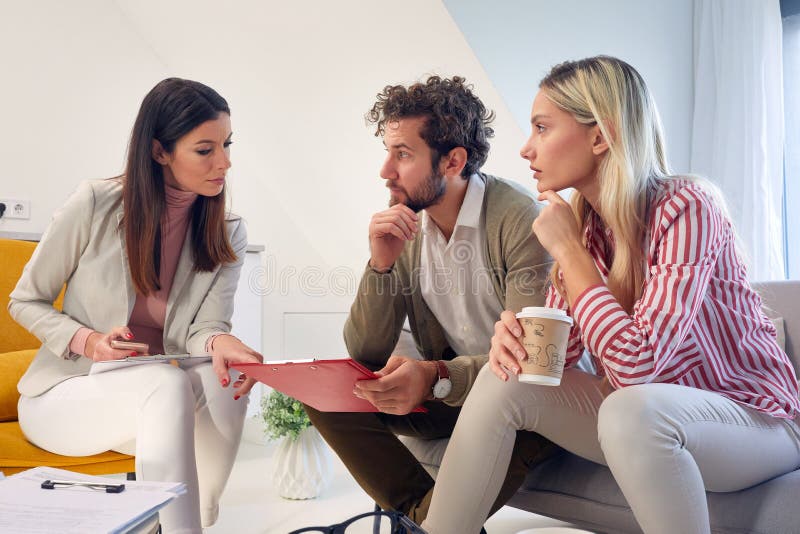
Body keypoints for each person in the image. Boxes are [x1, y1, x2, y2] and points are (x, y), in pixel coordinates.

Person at [422, 55, 800, 534]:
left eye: (542, 128)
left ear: (599, 136)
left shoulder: (686, 208)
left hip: (757, 423)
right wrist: (514, 345)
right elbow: (548, 362)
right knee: (507, 378)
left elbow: (638, 369)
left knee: (629, 407)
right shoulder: (585, 226)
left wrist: (569, 255)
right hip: (651, 422)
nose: (525, 149)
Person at [9, 78, 263, 534]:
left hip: (157, 403)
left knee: (221, 375)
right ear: (159, 151)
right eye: (205, 150)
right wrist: (88, 341)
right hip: (67, 398)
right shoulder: (94, 204)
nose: (225, 162)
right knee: (166, 385)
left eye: (227, 144)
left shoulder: (229, 229)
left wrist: (224, 340)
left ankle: (197, 519)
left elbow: (205, 327)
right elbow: (25, 300)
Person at [303, 75, 557, 525]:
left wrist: (436, 377)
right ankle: (423, 517)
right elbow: (364, 352)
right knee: (325, 395)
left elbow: (530, 362)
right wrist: (381, 265)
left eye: (403, 154)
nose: (386, 170)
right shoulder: (409, 226)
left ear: (453, 161)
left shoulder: (518, 219)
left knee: (513, 408)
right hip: (455, 398)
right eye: (388, 152)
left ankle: (418, 521)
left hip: (519, 406)